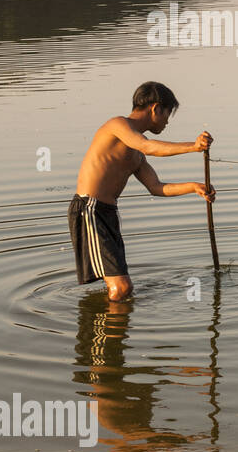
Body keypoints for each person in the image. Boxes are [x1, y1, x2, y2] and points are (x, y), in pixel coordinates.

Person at [70, 82, 214, 300]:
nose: (167, 122)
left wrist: (194, 187)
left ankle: (112, 328)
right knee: (122, 288)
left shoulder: (136, 155)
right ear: (156, 109)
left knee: (122, 288)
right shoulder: (117, 125)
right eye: (167, 114)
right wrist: (193, 146)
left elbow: (157, 187)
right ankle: (104, 331)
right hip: (89, 209)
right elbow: (148, 146)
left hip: (107, 213)